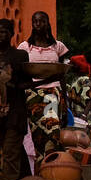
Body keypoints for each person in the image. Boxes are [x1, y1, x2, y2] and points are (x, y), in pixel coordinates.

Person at [18, 11, 71, 158]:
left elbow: (62, 75)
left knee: (52, 131)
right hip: (32, 94)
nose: (38, 24)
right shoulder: (25, 47)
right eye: (35, 21)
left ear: (48, 24)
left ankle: (52, 165)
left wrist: (65, 102)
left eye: (42, 21)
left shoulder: (57, 46)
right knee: (36, 133)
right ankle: (39, 168)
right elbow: (20, 72)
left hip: (52, 93)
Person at [0, 18, 30, 180]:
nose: (0, 35)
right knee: (10, 150)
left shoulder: (20, 55)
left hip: (15, 112)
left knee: (10, 152)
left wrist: (13, 85)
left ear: (11, 34)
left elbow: (28, 82)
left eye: (4, 31)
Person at [65, 54, 91, 137]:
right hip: (78, 119)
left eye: (72, 64)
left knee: (86, 144)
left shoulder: (85, 80)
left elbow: (90, 100)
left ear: (77, 66)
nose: (70, 67)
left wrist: (84, 115)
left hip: (86, 119)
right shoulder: (76, 80)